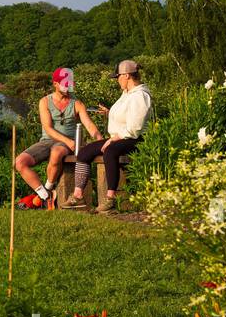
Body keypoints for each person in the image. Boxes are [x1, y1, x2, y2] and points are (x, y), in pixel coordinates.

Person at [62, 60, 152, 214]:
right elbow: (126, 116)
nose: (117, 80)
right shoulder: (126, 94)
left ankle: (110, 198)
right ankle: (78, 196)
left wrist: (113, 139)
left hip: (134, 139)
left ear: (127, 76)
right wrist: (110, 113)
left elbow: (135, 128)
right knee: (84, 152)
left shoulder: (140, 96)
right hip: (120, 137)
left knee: (110, 151)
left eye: (118, 77)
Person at [14, 67, 103, 206]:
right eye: (64, 83)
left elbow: (89, 125)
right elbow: (48, 129)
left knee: (56, 152)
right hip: (47, 141)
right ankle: (45, 195)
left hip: (65, 145)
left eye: (70, 83)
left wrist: (100, 140)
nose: (68, 86)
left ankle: (47, 190)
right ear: (55, 83)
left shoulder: (77, 104)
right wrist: (68, 141)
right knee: (19, 163)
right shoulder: (44, 102)